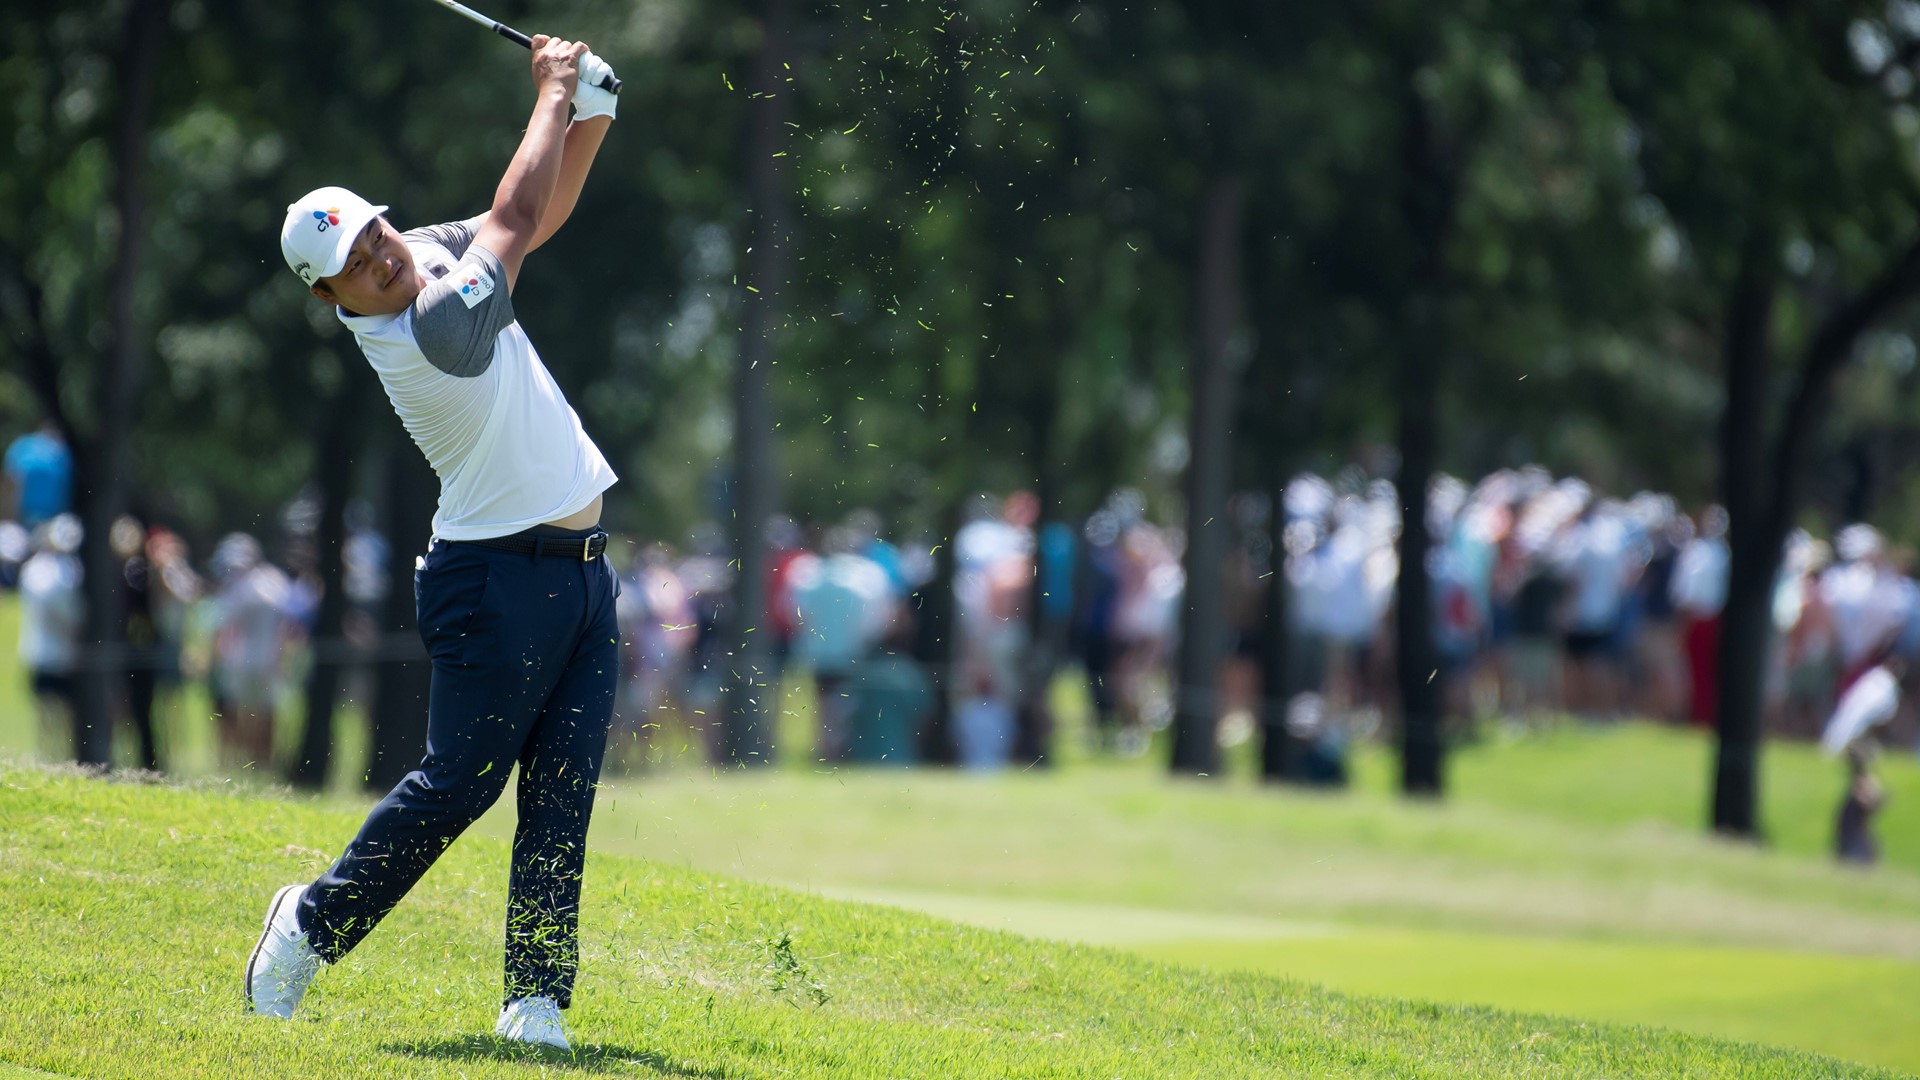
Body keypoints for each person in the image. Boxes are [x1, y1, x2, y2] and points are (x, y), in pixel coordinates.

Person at [245, 37, 623, 1053]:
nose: (380, 256)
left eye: (373, 232)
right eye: (354, 266)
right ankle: (308, 924)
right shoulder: (429, 331)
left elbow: (534, 216)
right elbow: (511, 218)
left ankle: (534, 1000)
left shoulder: (422, 253)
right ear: (332, 301)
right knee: (458, 786)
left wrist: (591, 114)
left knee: (562, 796)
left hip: (583, 577)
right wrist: (552, 93)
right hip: (492, 582)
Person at [3, 423, 73, 530]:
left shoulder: (22, 445)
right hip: (48, 514)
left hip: (22, 510)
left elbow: (10, 479)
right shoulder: (60, 451)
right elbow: (66, 487)